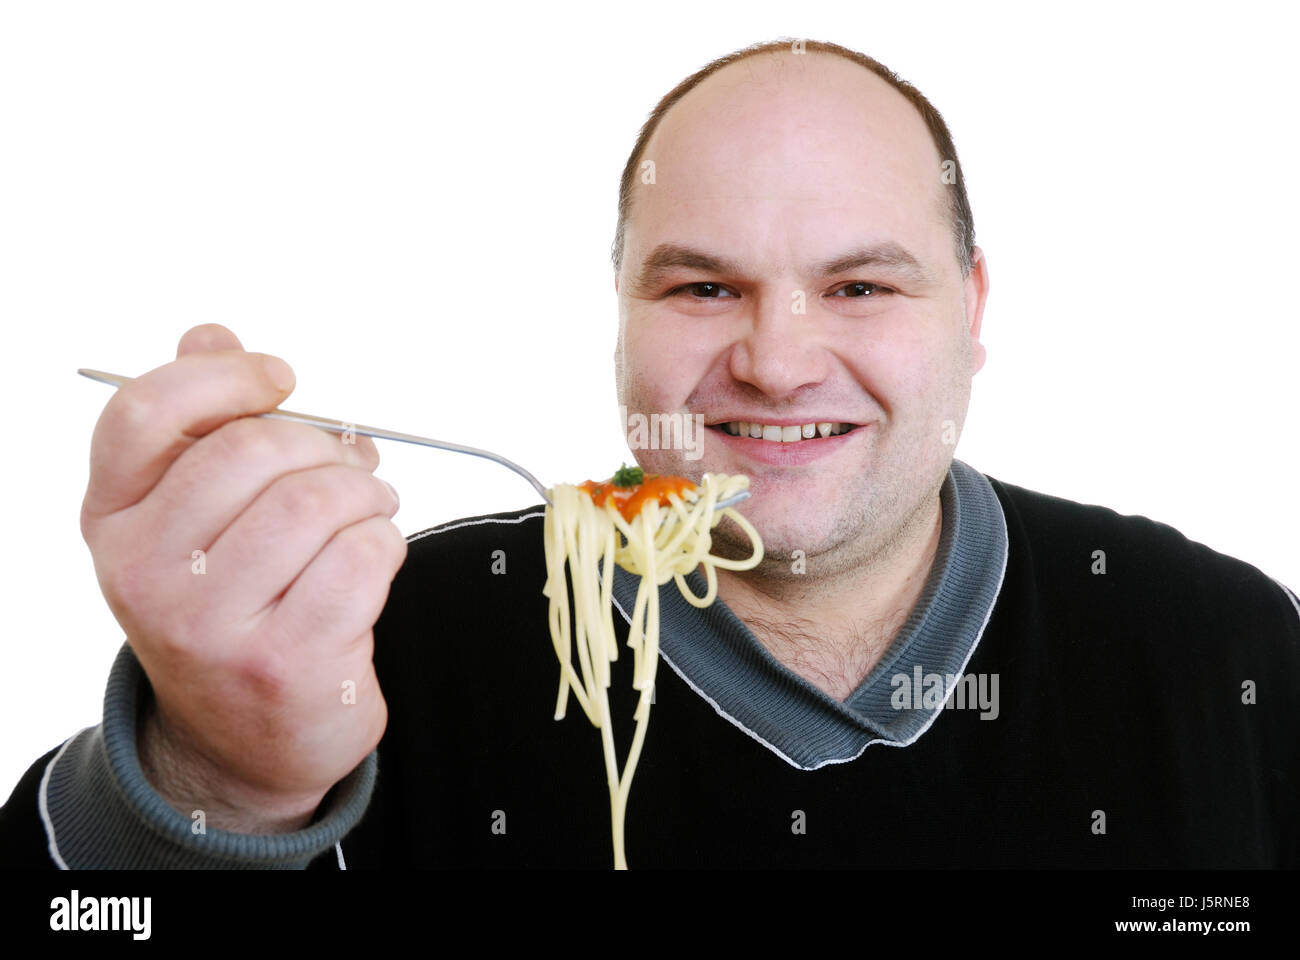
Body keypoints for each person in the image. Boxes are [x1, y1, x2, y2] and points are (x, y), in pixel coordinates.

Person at [2, 38, 1296, 869]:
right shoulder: (372, 650)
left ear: (973, 310)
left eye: (859, 289)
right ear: (618, 316)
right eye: (699, 289)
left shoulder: (1220, 649)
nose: (779, 361)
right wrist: (211, 783)